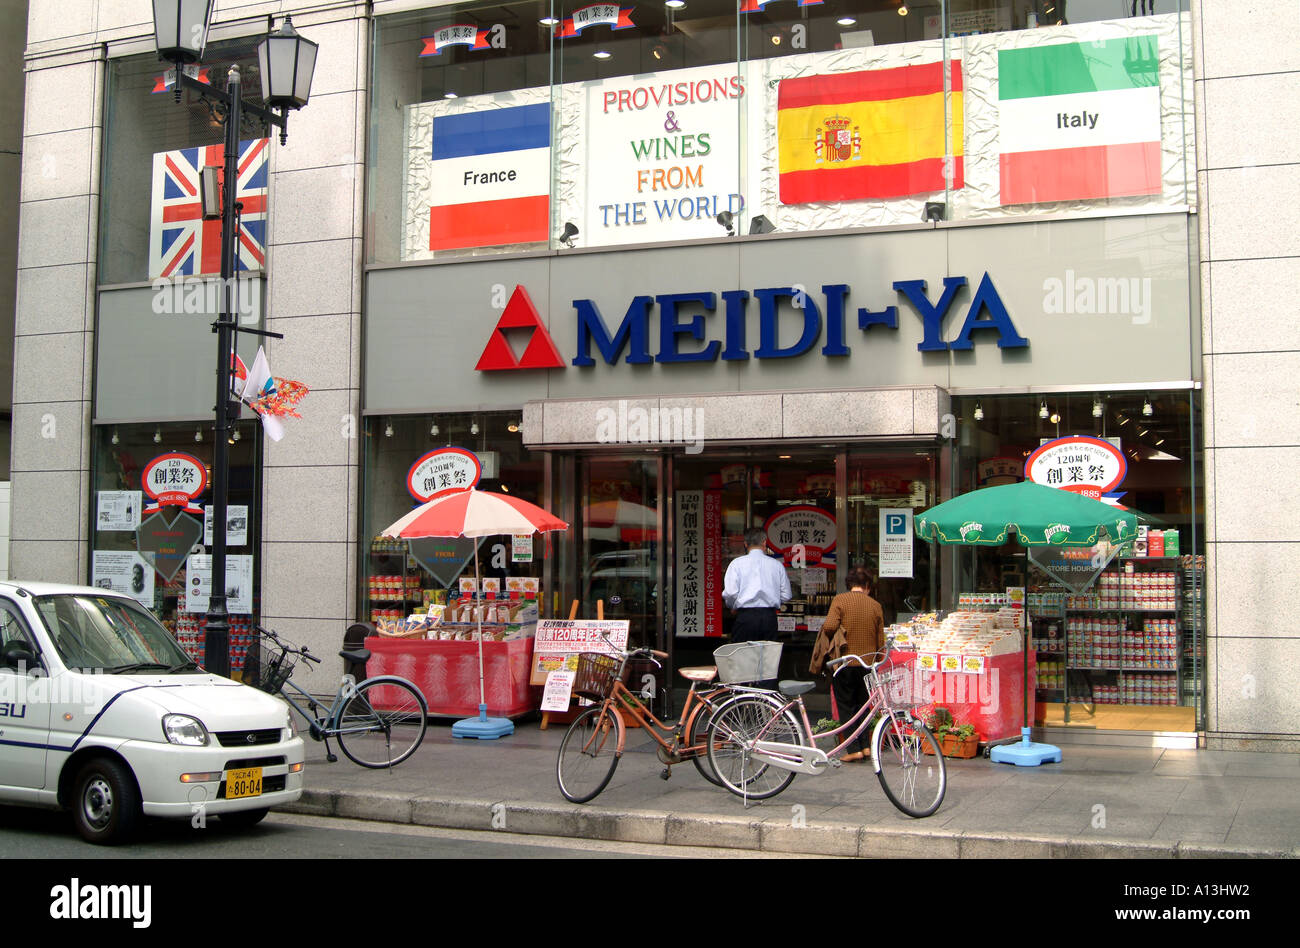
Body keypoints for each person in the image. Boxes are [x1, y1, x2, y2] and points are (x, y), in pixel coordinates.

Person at [814, 567, 884, 761]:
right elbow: (881, 640)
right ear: (867, 586)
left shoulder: (840, 601)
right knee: (863, 706)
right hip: (867, 664)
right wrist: (878, 660)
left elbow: (829, 626)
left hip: (844, 662)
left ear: (849, 584)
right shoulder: (875, 605)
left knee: (846, 706)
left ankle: (853, 750)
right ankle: (866, 746)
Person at [722, 528, 792, 643]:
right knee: (768, 657)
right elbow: (786, 594)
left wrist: (734, 606)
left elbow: (730, 593)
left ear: (745, 544)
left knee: (743, 655)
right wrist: (773, 600)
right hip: (769, 617)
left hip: (745, 617)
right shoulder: (776, 565)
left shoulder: (736, 564)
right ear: (764, 542)